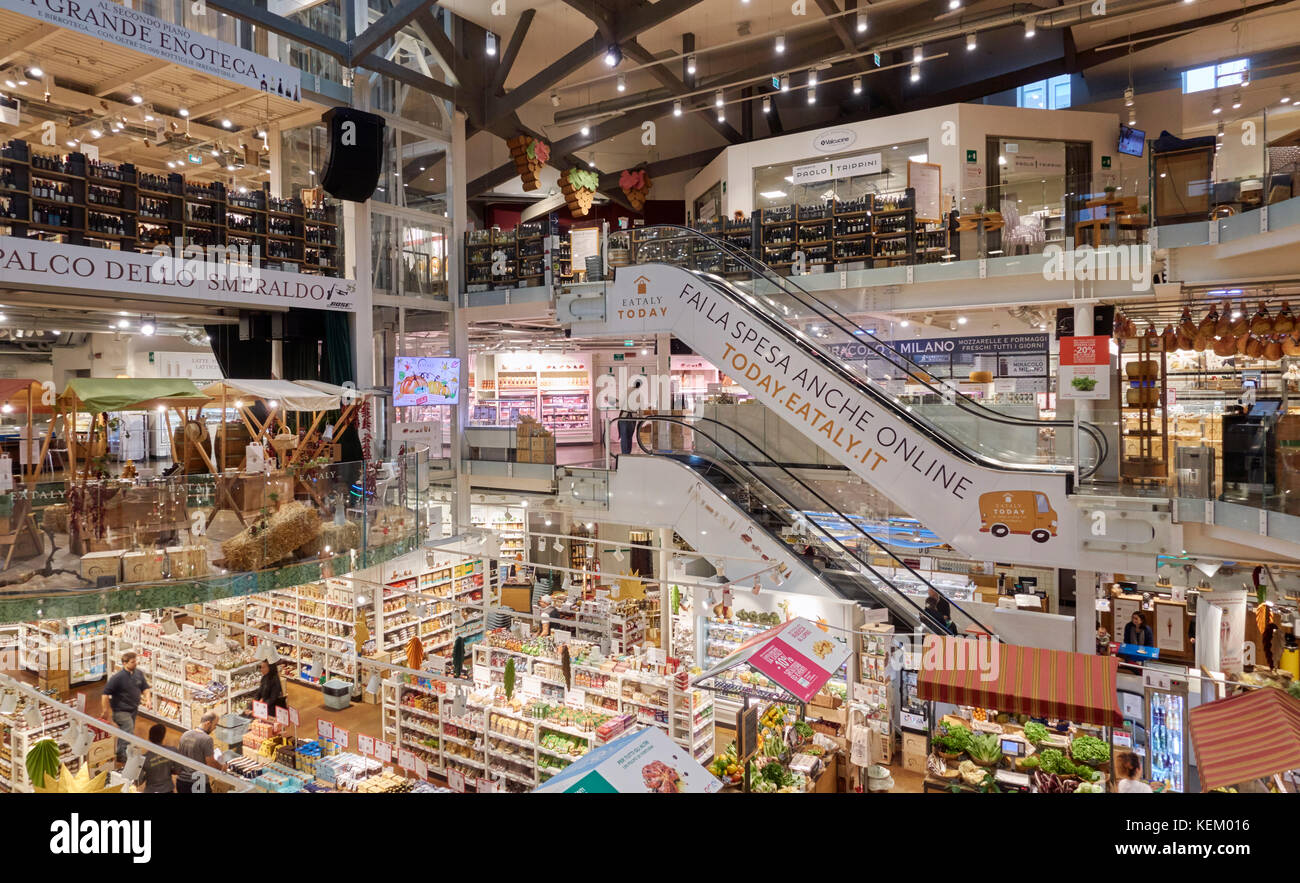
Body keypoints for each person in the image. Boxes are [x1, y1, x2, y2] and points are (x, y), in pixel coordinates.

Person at [102, 650, 151, 763]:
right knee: (128, 730)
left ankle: (120, 751)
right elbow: (105, 694)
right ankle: (123, 756)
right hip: (120, 710)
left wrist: (148, 700)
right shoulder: (117, 678)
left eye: (135, 661)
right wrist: (105, 710)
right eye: (132, 662)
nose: (135, 664)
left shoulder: (138, 674)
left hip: (133, 709)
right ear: (124, 663)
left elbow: (145, 688)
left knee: (125, 731)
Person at [176, 711, 227, 793]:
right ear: (208, 723)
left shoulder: (185, 734)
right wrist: (222, 768)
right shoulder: (207, 739)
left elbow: (178, 756)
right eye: (215, 725)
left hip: (181, 782)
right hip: (198, 783)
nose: (215, 728)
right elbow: (211, 763)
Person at [137, 723, 178, 793]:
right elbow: (178, 770)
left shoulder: (144, 759)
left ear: (149, 738)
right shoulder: (172, 751)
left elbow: (138, 782)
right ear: (163, 737)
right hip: (168, 790)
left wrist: (148, 774)